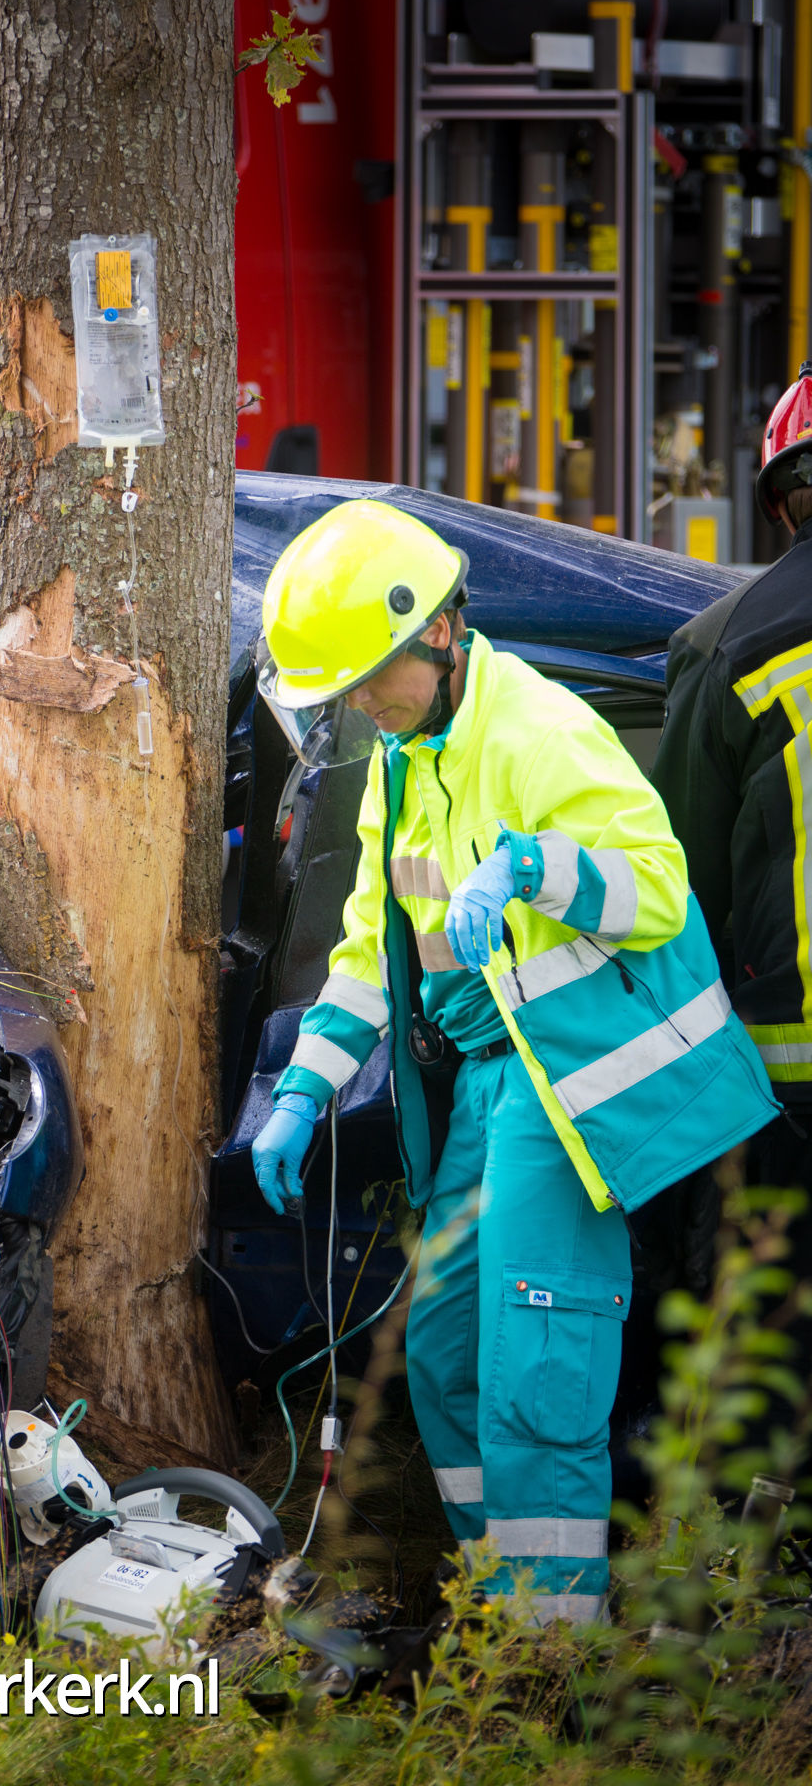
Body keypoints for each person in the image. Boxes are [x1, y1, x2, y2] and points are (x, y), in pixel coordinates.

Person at [250, 499, 777, 1624]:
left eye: (366, 675)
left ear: (438, 633)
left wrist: (534, 868)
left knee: (537, 1373)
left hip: (565, 1092)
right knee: (441, 1356)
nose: (355, 703)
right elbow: (368, 942)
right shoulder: (406, 755)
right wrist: (305, 1084)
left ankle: (550, 1658)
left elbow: (657, 889)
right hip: (492, 1087)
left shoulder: (537, 732)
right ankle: (506, 1603)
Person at [653, 361, 812, 1406]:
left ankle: (753, 1550)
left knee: (763, 1351)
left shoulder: (731, 647)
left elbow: (675, 889)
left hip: (784, 1088)